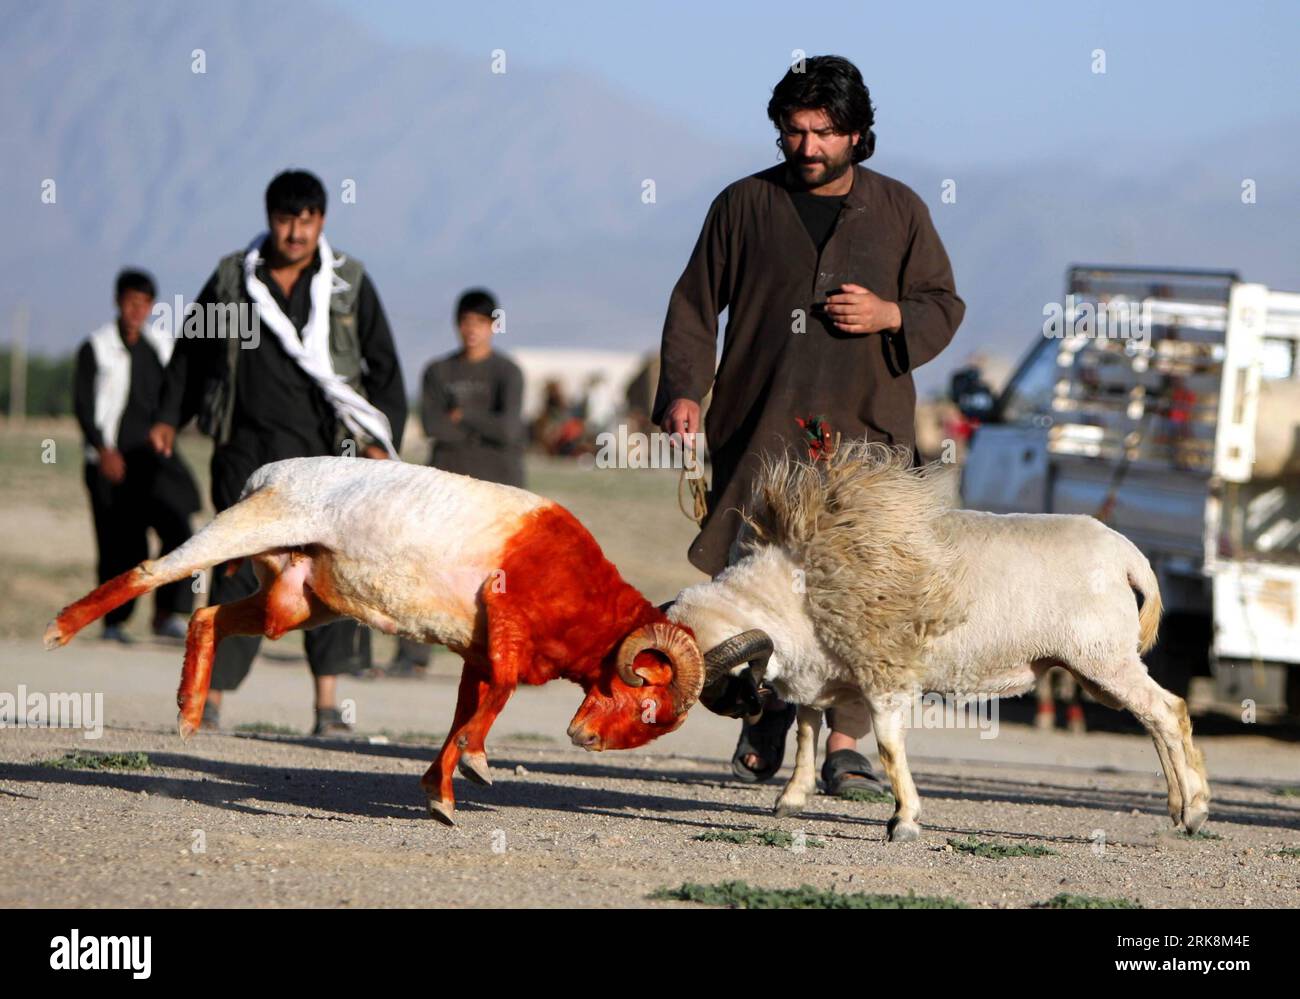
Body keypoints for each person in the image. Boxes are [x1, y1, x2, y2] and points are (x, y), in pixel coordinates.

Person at [653, 56, 965, 793]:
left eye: (824, 133)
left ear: (857, 133)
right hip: (761, 432)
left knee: (861, 595)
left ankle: (847, 746)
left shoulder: (900, 210)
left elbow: (944, 304)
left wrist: (890, 315)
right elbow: (695, 304)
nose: (807, 148)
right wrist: (683, 392)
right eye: (793, 132)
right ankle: (763, 718)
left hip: (868, 438)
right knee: (760, 585)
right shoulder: (742, 206)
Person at [150, 170, 407, 734]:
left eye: (307, 220)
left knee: (330, 576)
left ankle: (327, 706)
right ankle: (211, 700)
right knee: (239, 565)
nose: (296, 232)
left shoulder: (348, 284)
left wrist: (384, 443)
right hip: (247, 449)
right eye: (286, 219)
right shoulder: (232, 281)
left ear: (322, 221)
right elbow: (192, 354)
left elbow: (383, 367)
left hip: (327, 457)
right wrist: (169, 416)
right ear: (270, 219)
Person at [383, 288, 524, 676]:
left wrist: (463, 417)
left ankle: (510, 661)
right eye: (466, 322)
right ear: (457, 324)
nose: (472, 330)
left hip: (498, 490)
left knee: (501, 580)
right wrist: (475, 425)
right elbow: (434, 426)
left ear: (494, 326)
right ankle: (411, 658)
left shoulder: (507, 373)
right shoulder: (438, 372)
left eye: (480, 322)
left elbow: (510, 430)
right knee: (424, 566)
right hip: (445, 487)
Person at [73, 268, 201, 643]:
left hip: (154, 460)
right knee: (120, 542)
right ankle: (114, 622)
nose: (136, 310)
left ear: (151, 307)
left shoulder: (161, 346)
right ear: (118, 302)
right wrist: (102, 450)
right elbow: (82, 405)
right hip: (110, 463)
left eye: (144, 304)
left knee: (180, 526)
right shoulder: (96, 347)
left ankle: (167, 614)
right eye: (130, 302)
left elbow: (177, 393)